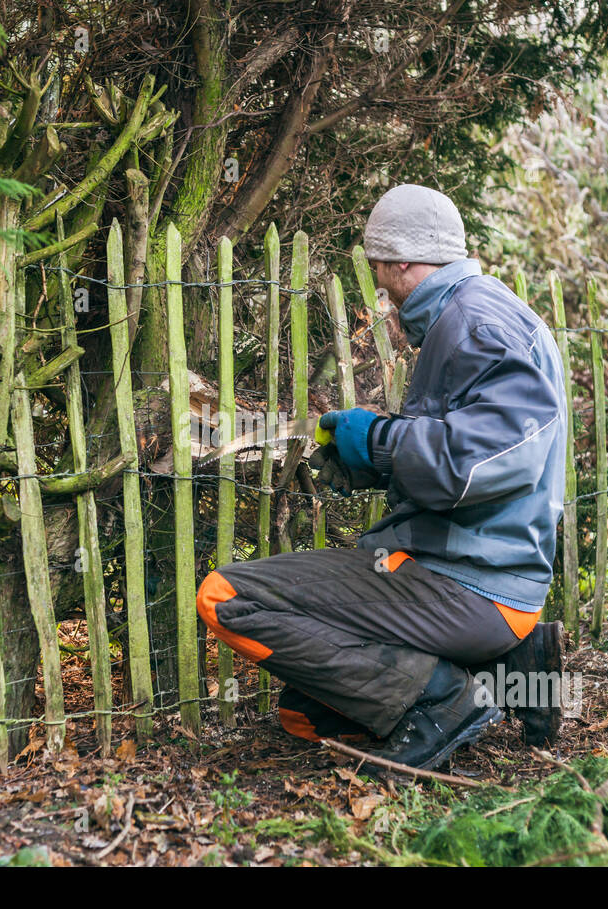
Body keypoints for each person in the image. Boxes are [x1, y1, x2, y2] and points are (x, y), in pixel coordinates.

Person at [196, 183, 568, 770]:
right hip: (481, 578)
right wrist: (374, 456)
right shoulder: (476, 312)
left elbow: (474, 463)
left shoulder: (475, 325)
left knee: (224, 598)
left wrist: (374, 437)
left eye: (376, 266)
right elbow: (466, 448)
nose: (376, 283)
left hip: (468, 583)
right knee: (305, 716)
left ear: (397, 260)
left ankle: (447, 697)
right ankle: (508, 667)